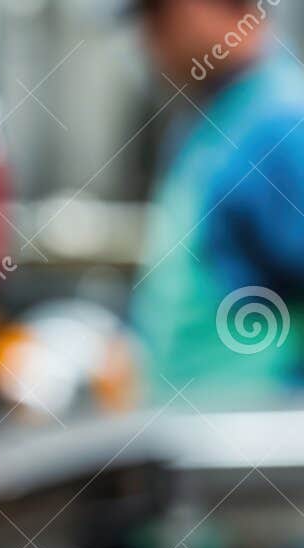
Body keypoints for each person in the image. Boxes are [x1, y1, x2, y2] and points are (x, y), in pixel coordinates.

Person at [132, 0, 304, 404]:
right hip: (199, 426)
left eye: (156, 16)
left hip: (259, 429)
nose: (147, 40)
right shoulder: (218, 116)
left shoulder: (281, 124)